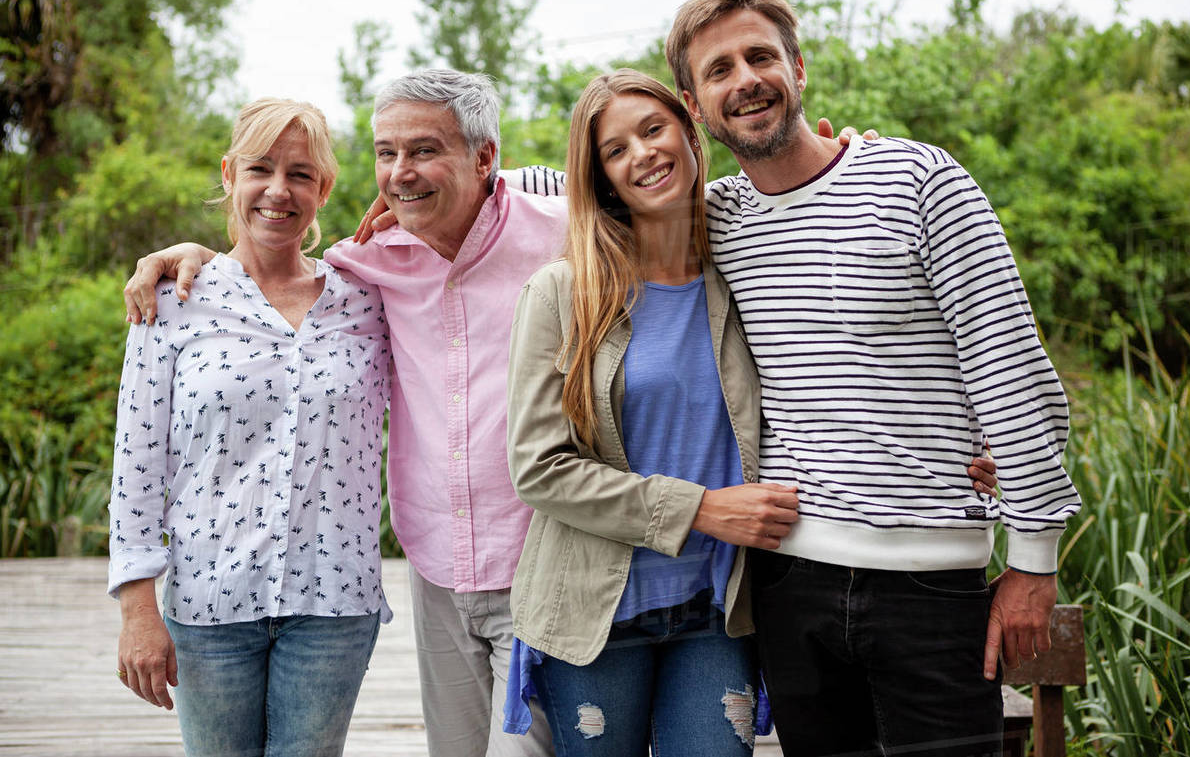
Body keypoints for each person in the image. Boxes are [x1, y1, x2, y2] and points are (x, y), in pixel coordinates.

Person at [119, 72, 998, 755]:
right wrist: (200, 254)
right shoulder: (364, 267)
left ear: (485, 157)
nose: (402, 173)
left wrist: (841, 158)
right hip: (430, 573)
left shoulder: (571, 229)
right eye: (387, 154)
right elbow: (273, 263)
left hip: (556, 567)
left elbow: (639, 166)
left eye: (425, 151)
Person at [658, 0, 1082, 756]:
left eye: (760, 56)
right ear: (695, 105)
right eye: (718, 70)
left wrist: (1033, 560)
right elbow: (584, 191)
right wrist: (425, 199)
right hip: (788, 580)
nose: (744, 79)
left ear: (799, 68)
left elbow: (1011, 367)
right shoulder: (713, 218)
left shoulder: (918, 180)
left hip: (932, 580)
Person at [501, 69, 796, 755]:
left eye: (654, 129)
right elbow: (539, 469)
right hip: (595, 613)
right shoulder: (563, 292)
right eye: (615, 148)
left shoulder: (746, 265)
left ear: (691, 134)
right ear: (601, 176)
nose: (642, 154)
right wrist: (698, 508)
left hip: (717, 609)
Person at [108, 98, 392, 757]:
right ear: (229, 174)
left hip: (334, 605)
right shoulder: (174, 298)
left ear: (323, 188)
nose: (278, 189)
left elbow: (490, 202)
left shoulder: (368, 297)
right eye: (260, 168)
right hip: (208, 605)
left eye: (300, 173)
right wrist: (137, 610)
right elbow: (136, 466)